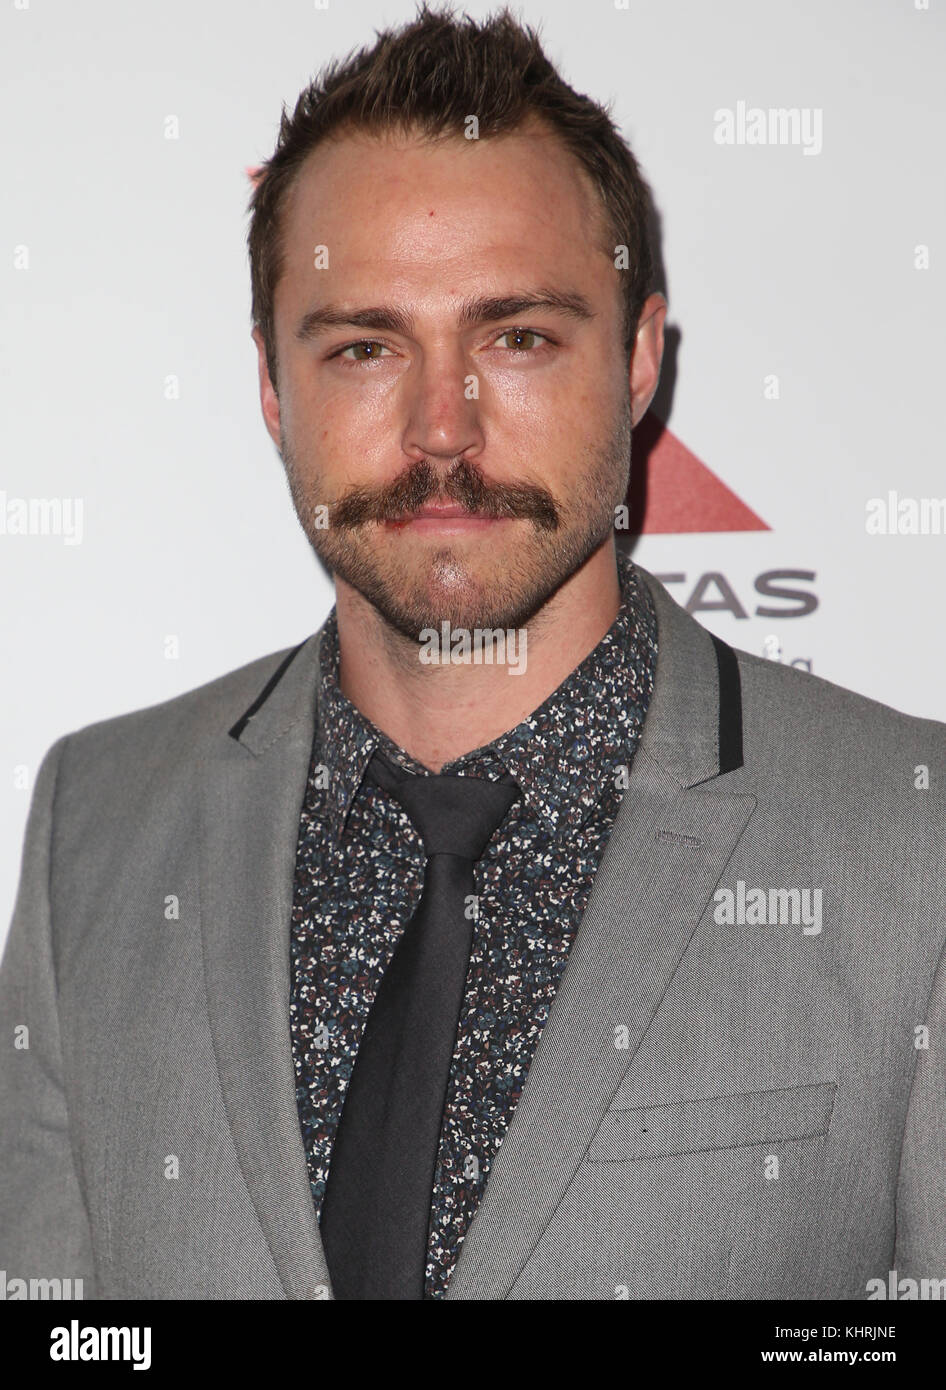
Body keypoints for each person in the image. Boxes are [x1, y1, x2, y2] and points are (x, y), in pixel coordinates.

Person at [1, 4, 944, 1302]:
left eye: (516, 338)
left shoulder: (912, 841)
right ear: (273, 389)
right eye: (365, 346)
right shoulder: (93, 828)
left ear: (637, 360)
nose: (441, 429)